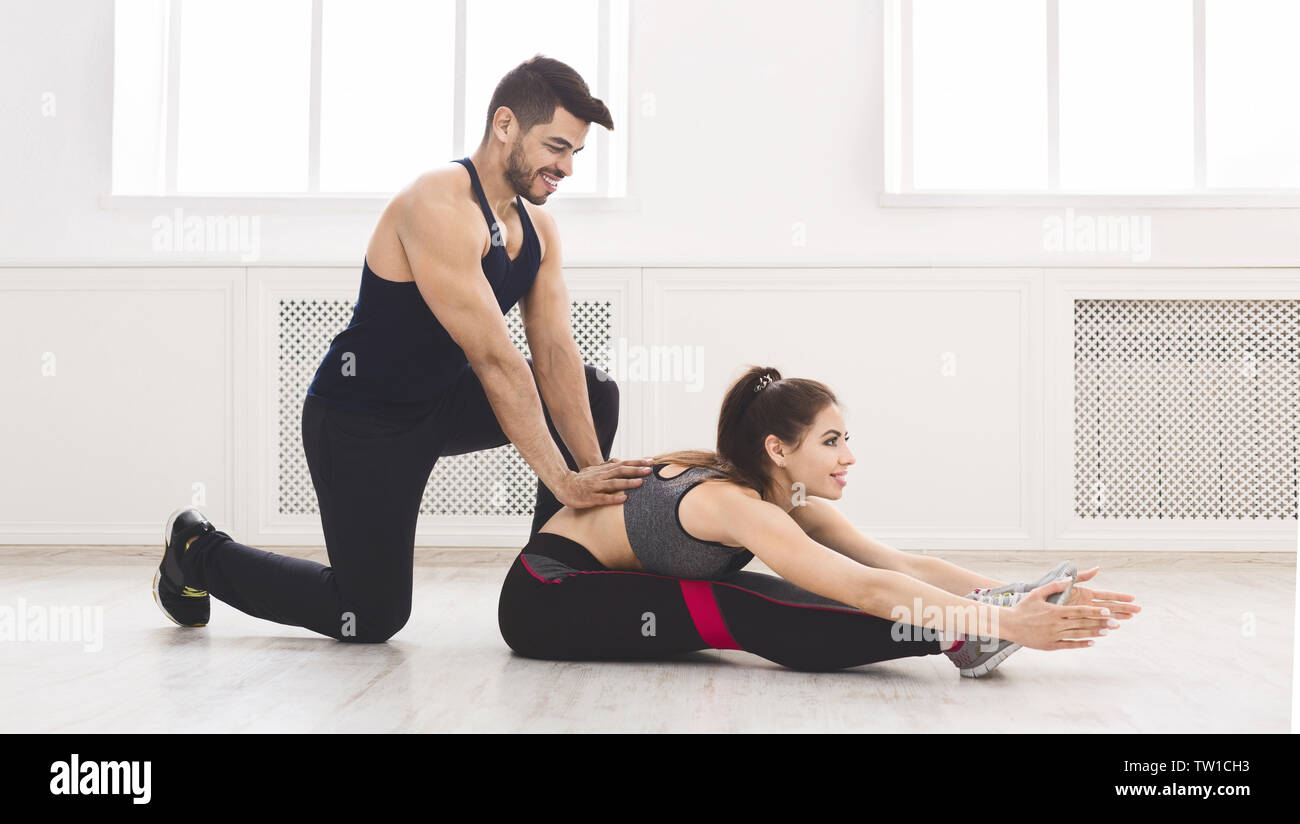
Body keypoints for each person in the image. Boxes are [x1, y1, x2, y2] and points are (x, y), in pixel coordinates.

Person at [153, 55, 657, 643]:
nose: (566, 167)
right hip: (361, 419)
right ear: (505, 125)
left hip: (441, 402)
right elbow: (497, 361)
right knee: (369, 615)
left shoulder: (538, 230)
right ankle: (195, 550)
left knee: (595, 390)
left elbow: (553, 354)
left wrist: (592, 474)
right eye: (556, 147)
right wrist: (565, 481)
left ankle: (549, 582)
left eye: (575, 153)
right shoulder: (438, 204)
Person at [498, 366, 1141, 676]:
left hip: (602, 581)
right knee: (739, 601)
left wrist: (1018, 596)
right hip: (547, 594)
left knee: (768, 589)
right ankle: (956, 637)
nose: (848, 456)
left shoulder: (787, 497)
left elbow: (892, 564)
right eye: (831, 441)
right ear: (778, 449)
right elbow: (864, 590)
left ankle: (968, 627)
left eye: (845, 438)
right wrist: (1003, 625)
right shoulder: (733, 504)